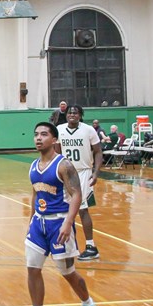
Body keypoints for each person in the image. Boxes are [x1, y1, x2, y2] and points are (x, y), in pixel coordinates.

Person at [16, 122, 99, 306]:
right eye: (36, 134)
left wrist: (68, 222)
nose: (38, 138)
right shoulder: (33, 166)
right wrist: (31, 219)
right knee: (33, 268)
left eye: (44, 134)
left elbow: (76, 195)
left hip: (60, 222)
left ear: (54, 140)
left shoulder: (64, 165)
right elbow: (35, 193)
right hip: (39, 223)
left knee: (67, 271)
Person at [57, 105, 103, 261]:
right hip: (65, 173)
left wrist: (96, 172)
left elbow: (98, 152)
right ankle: (64, 244)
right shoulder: (60, 129)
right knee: (63, 208)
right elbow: (56, 153)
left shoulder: (89, 130)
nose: (72, 115)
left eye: (75, 113)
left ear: (80, 115)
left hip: (83, 172)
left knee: (83, 209)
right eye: (69, 112)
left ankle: (91, 246)